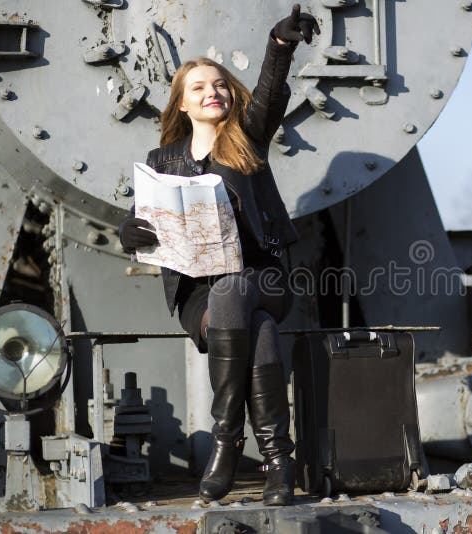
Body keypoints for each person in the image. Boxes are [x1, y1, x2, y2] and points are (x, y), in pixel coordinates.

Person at [117, 4, 319, 506]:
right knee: (260, 333)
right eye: (200, 88)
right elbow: (137, 216)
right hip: (198, 294)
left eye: (220, 85)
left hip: (264, 278)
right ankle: (278, 462)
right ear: (181, 105)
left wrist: (279, 45)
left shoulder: (246, 140)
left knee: (236, 287)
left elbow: (270, 97)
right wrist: (130, 231)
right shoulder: (161, 162)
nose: (213, 92)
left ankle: (225, 441)